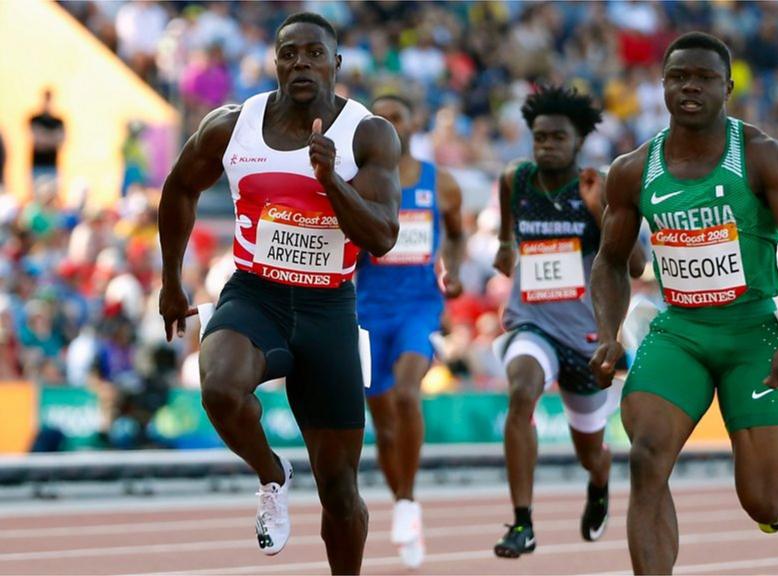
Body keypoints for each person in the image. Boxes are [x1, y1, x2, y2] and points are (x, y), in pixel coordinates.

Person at [157, 12, 401, 574]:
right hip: (254, 294)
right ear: (275, 62)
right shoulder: (231, 125)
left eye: (314, 53)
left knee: (339, 491)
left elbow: (382, 237)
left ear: (336, 64)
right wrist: (171, 280)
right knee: (218, 388)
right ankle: (271, 474)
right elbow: (178, 188)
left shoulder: (368, 134)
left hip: (328, 307)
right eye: (289, 53)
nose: (301, 63)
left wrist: (332, 180)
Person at [589, 32, 778, 573]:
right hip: (680, 334)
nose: (689, 87)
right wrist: (607, 333)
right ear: (663, 86)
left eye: (703, 78)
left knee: (764, 502)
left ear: (727, 87)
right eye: (678, 78)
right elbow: (608, 261)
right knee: (647, 455)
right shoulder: (634, 170)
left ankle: (777, 491)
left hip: (754, 336)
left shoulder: (764, 158)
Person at [491, 85, 645, 559]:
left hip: (586, 337)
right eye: (539, 137)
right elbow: (505, 240)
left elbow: (635, 265)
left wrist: (599, 209)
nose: (546, 146)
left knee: (590, 453)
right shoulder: (515, 180)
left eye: (558, 137)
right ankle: (522, 523)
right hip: (531, 323)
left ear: (578, 141)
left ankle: (599, 483)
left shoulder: (599, 186)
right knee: (521, 392)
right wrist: (504, 246)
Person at [356, 94, 465, 568]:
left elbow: (458, 233)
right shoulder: (357, 184)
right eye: (380, 119)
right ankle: (401, 499)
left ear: (413, 123)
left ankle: (409, 498)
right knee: (381, 420)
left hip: (420, 307)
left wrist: (454, 271)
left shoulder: (441, 185)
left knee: (406, 393)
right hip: (366, 311)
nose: (390, 126)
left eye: (397, 117)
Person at [29, 89, 66, 181]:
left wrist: (43, 136)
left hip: (53, 165)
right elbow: (35, 139)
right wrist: (52, 138)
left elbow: (62, 141)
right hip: (37, 165)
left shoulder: (58, 121)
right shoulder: (34, 119)